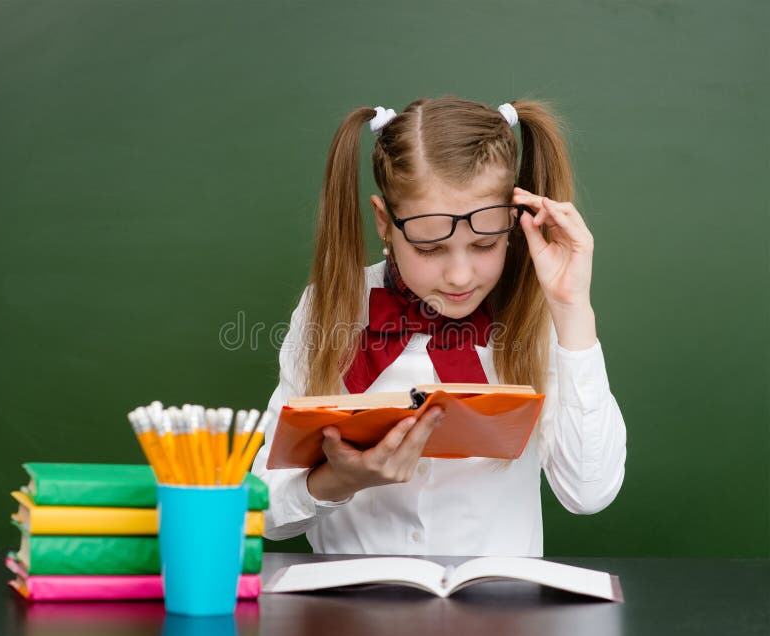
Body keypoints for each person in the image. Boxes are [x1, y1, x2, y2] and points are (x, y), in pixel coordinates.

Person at [251, 96, 627, 556]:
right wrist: (337, 480)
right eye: (430, 249)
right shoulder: (331, 308)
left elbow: (589, 492)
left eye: (486, 244)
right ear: (385, 223)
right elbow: (264, 512)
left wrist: (572, 311)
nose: (461, 276)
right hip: (351, 617)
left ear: (513, 219)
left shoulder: (539, 316)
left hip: (498, 618)